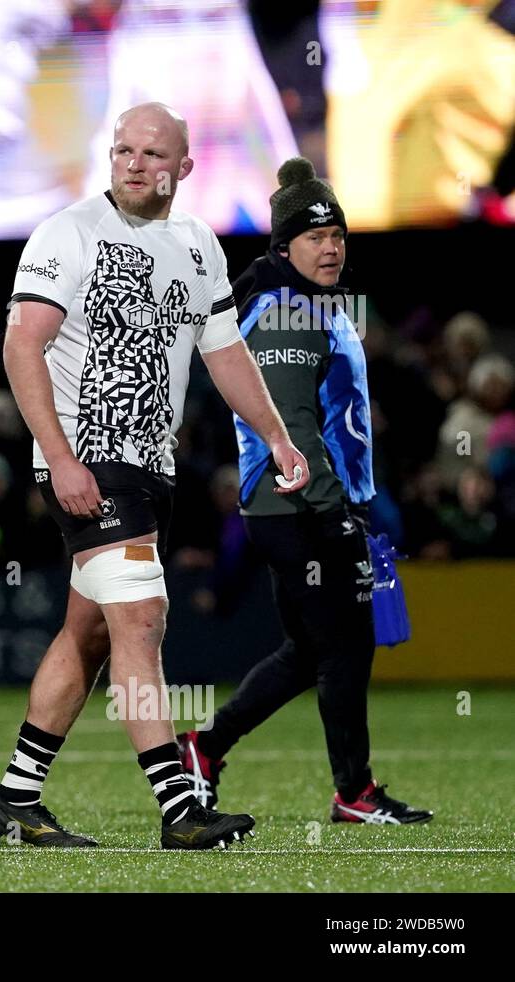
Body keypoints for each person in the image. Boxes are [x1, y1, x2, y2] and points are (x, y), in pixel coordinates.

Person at [0, 102, 309, 850]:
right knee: (142, 615)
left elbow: (224, 352)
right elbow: (20, 347)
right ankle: (180, 806)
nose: (134, 162)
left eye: (153, 153)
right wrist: (60, 459)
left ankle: (15, 798)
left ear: (185, 168)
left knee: (90, 631)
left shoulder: (198, 246)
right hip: (87, 463)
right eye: (123, 149)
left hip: (147, 467)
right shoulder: (65, 232)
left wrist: (276, 438)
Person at [177, 158, 433, 825]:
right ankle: (355, 792)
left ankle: (204, 748)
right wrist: (338, 514)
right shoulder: (287, 311)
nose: (330, 248)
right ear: (284, 246)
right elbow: (292, 426)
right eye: (315, 238)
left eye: (338, 237)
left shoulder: (299, 302)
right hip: (300, 506)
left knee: (310, 652)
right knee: (346, 648)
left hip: (293, 505)